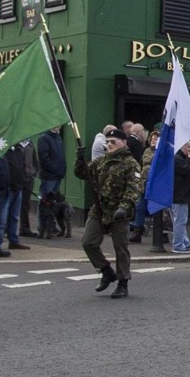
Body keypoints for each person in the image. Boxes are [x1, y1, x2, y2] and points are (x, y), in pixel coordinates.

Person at [75, 128, 142, 299]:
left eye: (114, 142)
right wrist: (80, 161)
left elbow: (134, 188)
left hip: (119, 211)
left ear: (124, 143)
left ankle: (123, 283)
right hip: (99, 209)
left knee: (120, 248)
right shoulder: (101, 161)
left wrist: (125, 206)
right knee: (88, 242)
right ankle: (106, 271)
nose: (110, 144)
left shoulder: (131, 164)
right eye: (108, 142)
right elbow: (83, 174)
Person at [171, 142, 190, 254]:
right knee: (180, 221)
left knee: (181, 220)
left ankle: (185, 242)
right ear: (182, 146)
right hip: (179, 195)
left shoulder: (179, 158)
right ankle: (178, 245)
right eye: (189, 147)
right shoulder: (177, 159)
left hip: (181, 195)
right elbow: (189, 170)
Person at [2, 144, 30, 252]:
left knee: (14, 216)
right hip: (8, 188)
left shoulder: (19, 150)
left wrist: (23, 180)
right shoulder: (4, 151)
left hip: (18, 187)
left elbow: (23, 166)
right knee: (3, 217)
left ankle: (13, 240)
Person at [37, 126, 66, 199]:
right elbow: (44, 158)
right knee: (46, 201)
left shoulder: (58, 138)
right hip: (48, 177)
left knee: (54, 202)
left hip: (57, 175)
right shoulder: (44, 138)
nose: (59, 126)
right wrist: (55, 169)